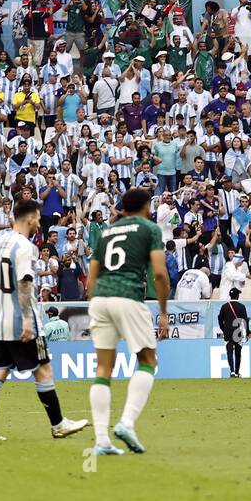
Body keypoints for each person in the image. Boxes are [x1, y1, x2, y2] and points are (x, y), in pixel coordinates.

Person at [0, 198, 87, 442]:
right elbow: (25, 282)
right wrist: (27, 320)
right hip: (20, 321)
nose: (39, 222)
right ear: (28, 218)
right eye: (38, 217)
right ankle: (58, 424)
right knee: (44, 369)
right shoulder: (25, 246)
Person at [85, 188, 169, 454]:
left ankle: (101, 440)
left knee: (103, 369)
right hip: (128, 297)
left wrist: (96, 301)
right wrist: (164, 312)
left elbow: (91, 278)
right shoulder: (149, 228)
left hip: (99, 299)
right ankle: (126, 423)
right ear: (145, 207)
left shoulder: (107, 231)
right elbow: (159, 273)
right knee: (147, 361)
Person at [218, 288, 250, 378]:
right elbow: (245, 321)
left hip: (227, 332)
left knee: (229, 352)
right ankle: (237, 372)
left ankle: (231, 371)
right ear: (237, 296)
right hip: (238, 331)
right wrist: (247, 333)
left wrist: (223, 329)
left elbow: (220, 319)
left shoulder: (224, 306)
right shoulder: (241, 306)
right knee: (238, 353)